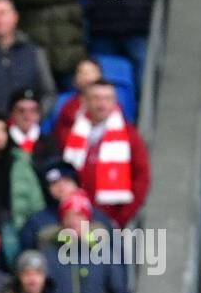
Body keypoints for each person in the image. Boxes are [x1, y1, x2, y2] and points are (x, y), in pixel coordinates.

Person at [60, 79, 150, 228]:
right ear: (86, 101)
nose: (102, 104)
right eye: (96, 98)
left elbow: (141, 178)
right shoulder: (70, 132)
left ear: (114, 102)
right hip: (71, 220)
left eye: (107, 99)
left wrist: (121, 218)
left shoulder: (129, 135)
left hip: (111, 220)